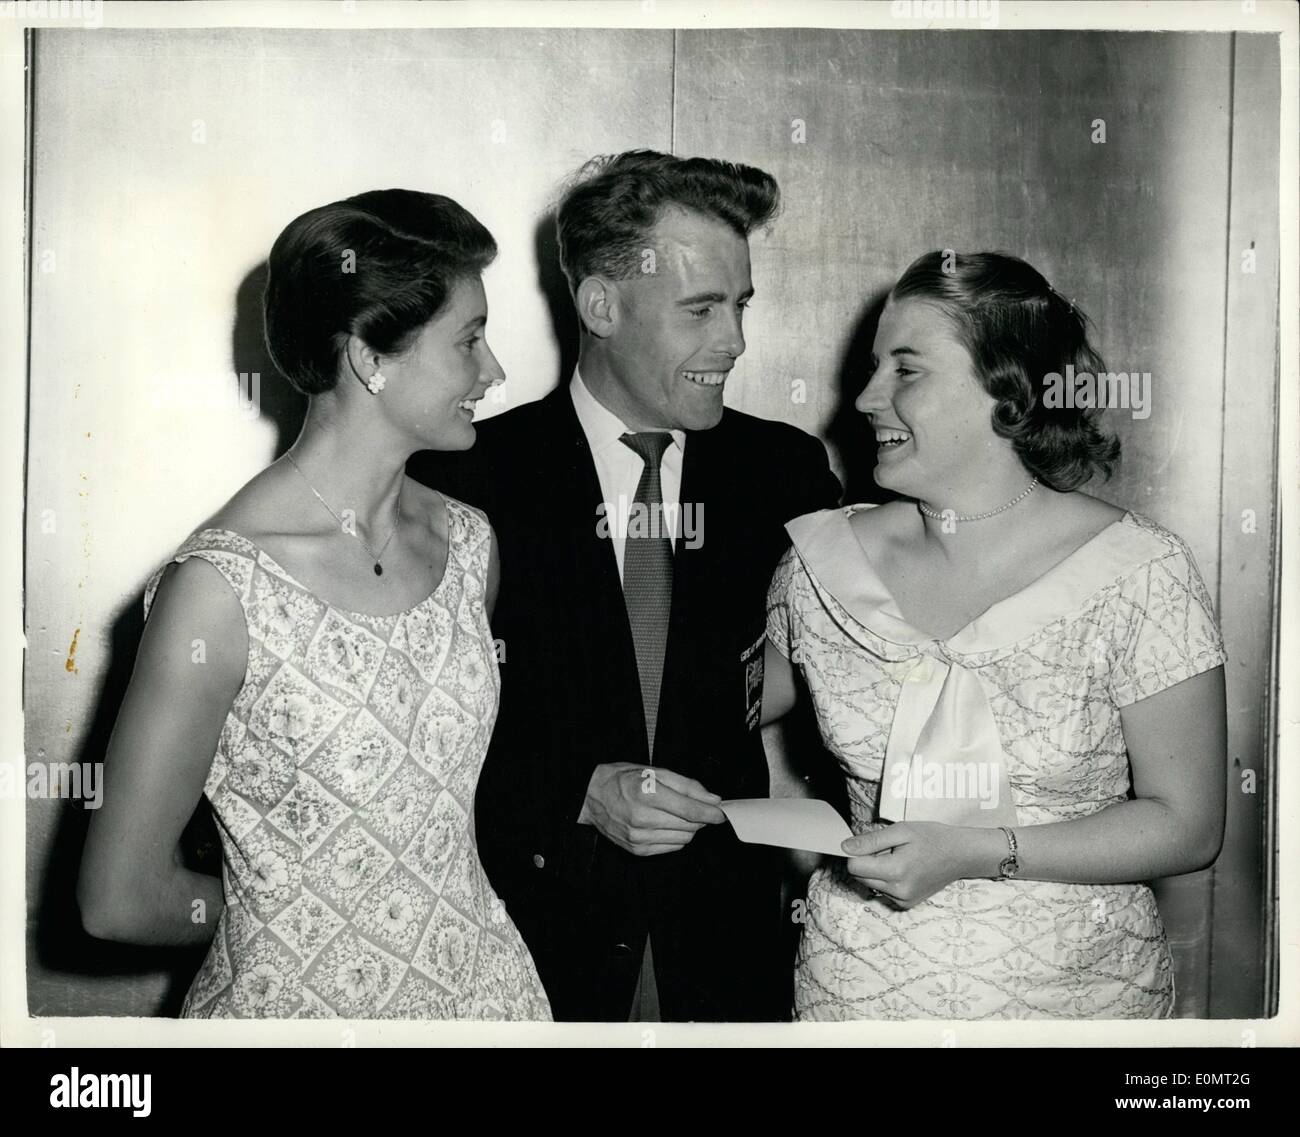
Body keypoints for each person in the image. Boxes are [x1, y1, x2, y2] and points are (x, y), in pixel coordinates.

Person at [77, 190, 551, 1020]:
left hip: (491, 1008)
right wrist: (290, 925)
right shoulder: (219, 593)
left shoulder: (469, 545)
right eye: (469, 340)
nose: (495, 370)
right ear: (370, 356)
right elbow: (118, 899)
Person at [412, 150, 841, 1021]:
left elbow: (848, 684)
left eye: (740, 305)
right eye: (700, 309)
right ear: (600, 304)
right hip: (524, 958)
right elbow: (402, 746)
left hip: (732, 965)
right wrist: (571, 792)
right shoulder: (464, 481)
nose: (734, 342)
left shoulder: (785, 473)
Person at [763, 251, 1227, 1020]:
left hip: (1078, 1008)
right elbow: (717, 713)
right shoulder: (818, 563)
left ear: (1006, 393)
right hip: (857, 1001)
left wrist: (983, 851)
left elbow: (1189, 823)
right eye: (873, 366)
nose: (866, 396)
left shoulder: (1139, 571)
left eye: (906, 370)